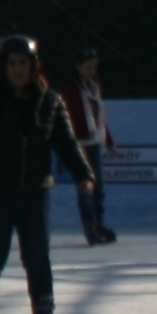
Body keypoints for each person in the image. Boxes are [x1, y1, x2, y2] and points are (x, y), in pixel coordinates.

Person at [0, 32, 89, 314]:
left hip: (35, 191)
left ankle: (44, 313)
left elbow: (66, 143)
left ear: (34, 66)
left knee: (37, 255)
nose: (18, 70)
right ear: (3, 66)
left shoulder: (49, 101)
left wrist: (83, 173)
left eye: (24, 63)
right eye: (12, 63)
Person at [58, 44, 119, 243]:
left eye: (94, 67)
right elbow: (66, 118)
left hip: (94, 142)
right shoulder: (71, 91)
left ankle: (98, 223)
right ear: (78, 67)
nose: (92, 71)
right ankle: (89, 226)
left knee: (98, 187)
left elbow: (100, 118)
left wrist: (109, 141)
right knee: (86, 186)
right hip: (78, 144)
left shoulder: (93, 88)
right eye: (88, 67)